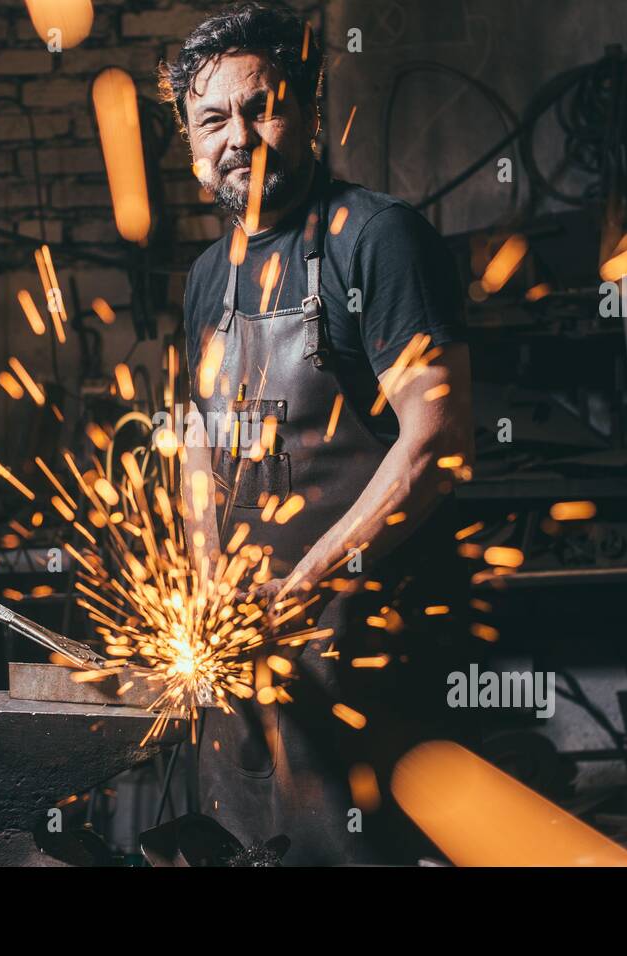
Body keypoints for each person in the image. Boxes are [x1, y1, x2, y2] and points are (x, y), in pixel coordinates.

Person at [161, 1, 479, 865]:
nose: (239, 136)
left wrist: (304, 585)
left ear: (304, 109)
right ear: (191, 140)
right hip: (246, 665)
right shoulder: (205, 278)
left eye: (262, 106)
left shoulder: (376, 240)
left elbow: (437, 441)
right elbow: (196, 441)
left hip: (364, 659)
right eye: (212, 118)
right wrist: (203, 589)